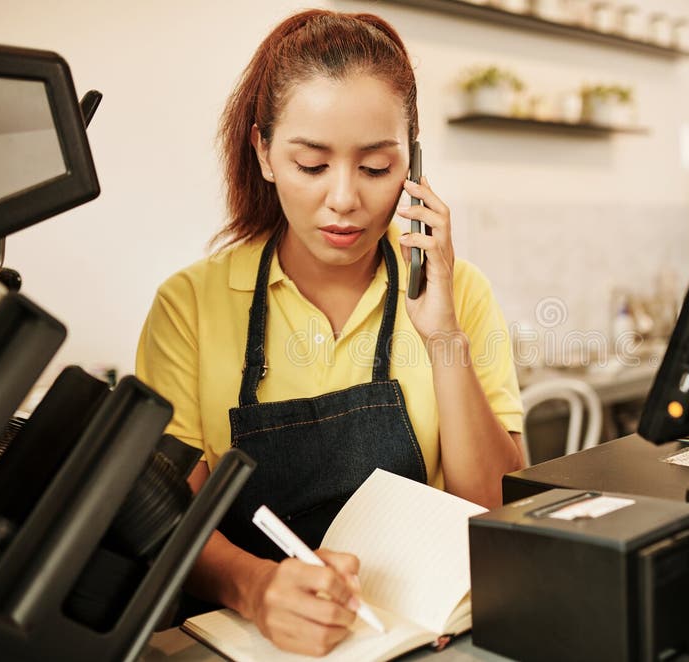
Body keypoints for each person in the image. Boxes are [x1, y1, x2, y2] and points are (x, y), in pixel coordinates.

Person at [135, 9, 525, 656]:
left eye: (375, 168)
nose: (343, 198)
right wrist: (258, 589)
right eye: (312, 165)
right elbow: (169, 515)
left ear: (413, 162)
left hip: (417, 638)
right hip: (245, 639)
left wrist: (442, 333)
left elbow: (489, 507)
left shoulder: (460, 294)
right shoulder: (190, 305)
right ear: (263, 153)